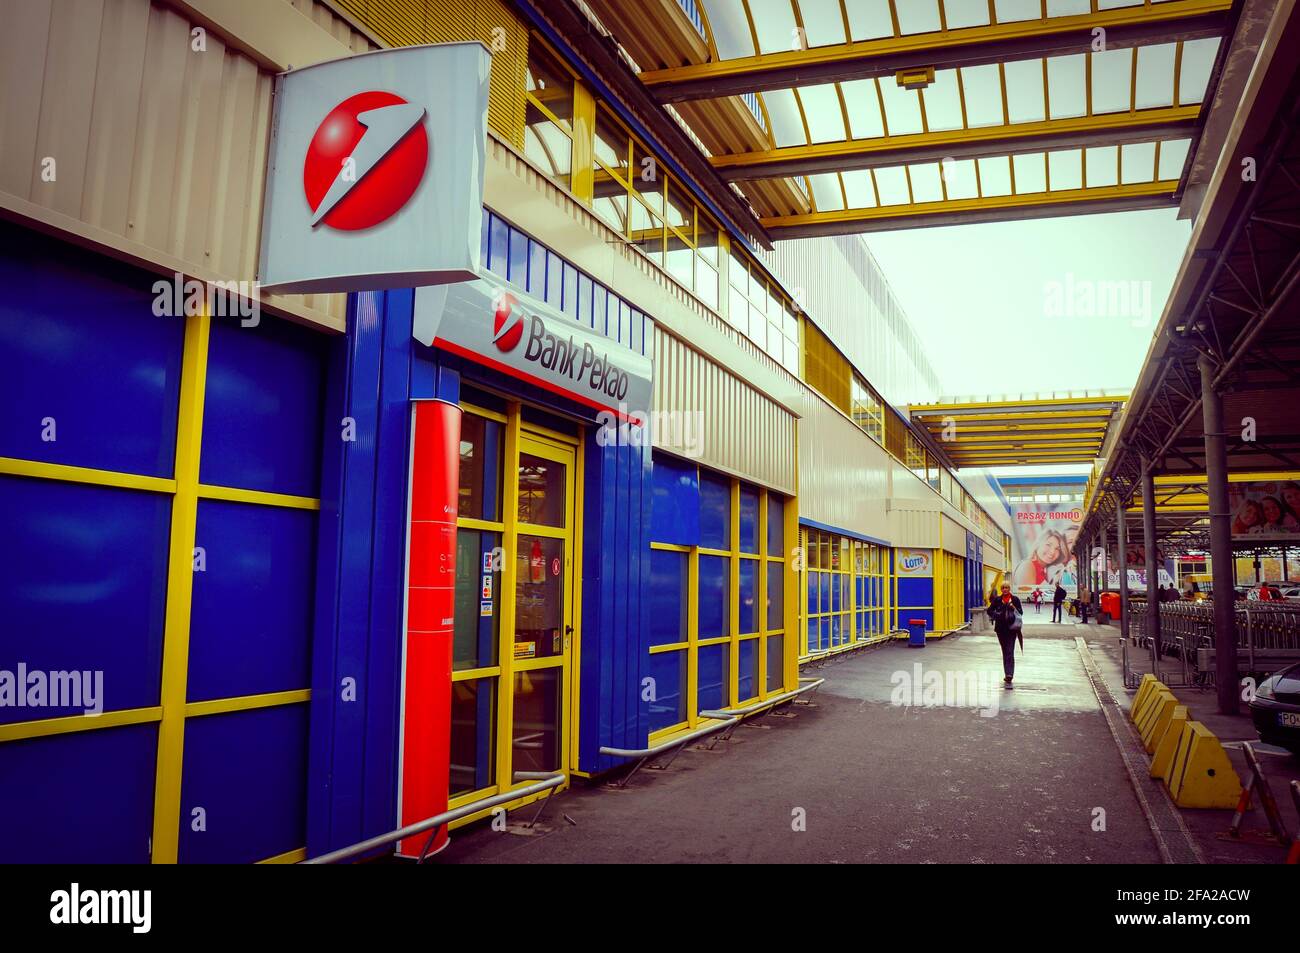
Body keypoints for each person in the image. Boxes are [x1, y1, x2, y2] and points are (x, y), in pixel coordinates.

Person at [988, 583, 1024, 686]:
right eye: (1003, 588)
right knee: (1005, 651)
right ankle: (1007, 673)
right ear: (1001, 589)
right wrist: (996, 615)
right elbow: (989, 611)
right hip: (1000, 630)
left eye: (1007, 588)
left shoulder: (1015, 599)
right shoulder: (997, 600)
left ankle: (1009, 674)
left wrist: (1014, 608)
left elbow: (1021, 613)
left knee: (1010, 651)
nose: (1005, 589)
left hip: (1012, 630)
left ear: (1009, 588)